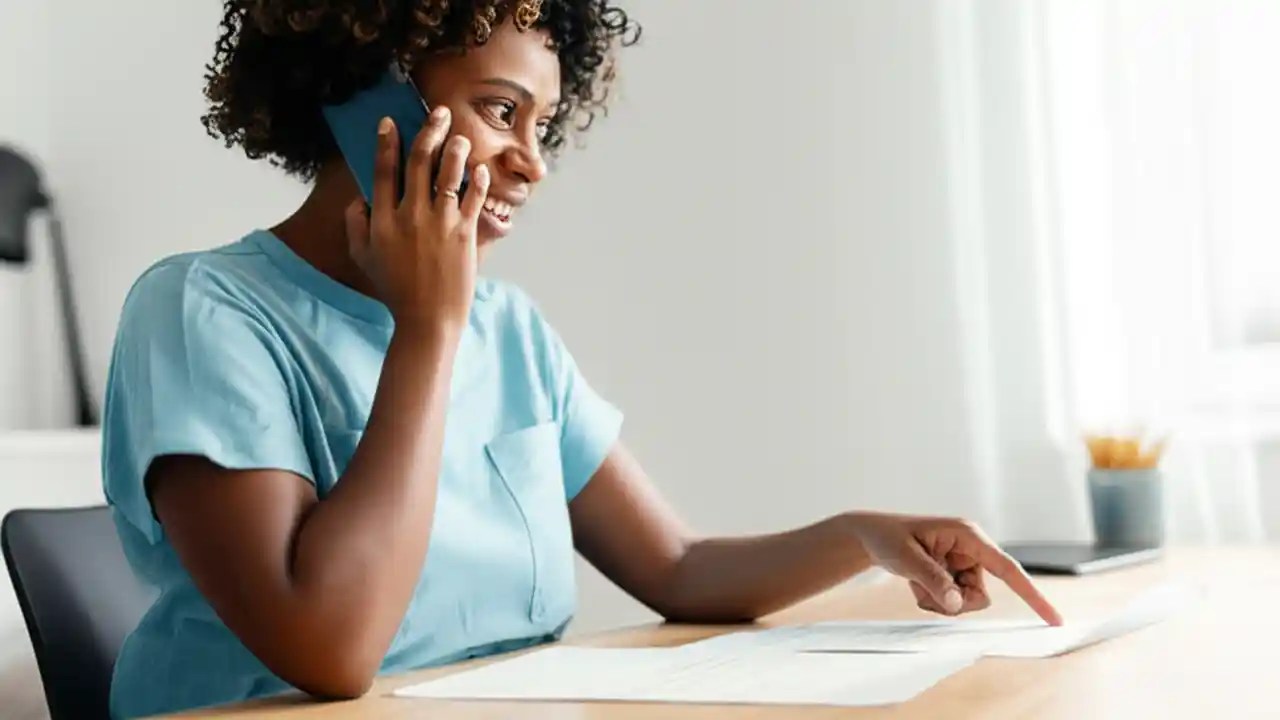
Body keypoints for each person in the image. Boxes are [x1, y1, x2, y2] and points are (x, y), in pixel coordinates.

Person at [100, 1, 1063, 717]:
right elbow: (331, 652)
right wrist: (428, 329)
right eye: (499, 110)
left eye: (542, 125)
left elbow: (678, 569)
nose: (533, 160)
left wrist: (862, 535)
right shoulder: (202, 312)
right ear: (365, 102)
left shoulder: (507, 329)